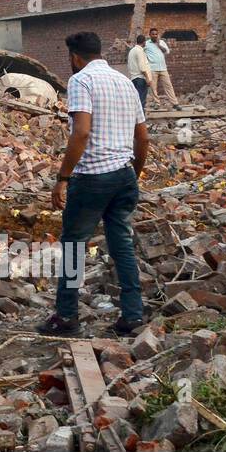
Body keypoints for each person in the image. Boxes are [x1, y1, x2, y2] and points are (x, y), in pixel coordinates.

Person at [38, 31, 149, 337]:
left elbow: (82, 133)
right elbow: (143, 136)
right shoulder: (125, 82)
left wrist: (62, 178)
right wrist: (133, 174)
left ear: (74, 57)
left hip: (92, 178)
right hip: (124, 175)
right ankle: (133, 315)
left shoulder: (80, 81)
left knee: (73, 246)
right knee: (122, 246)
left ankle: (67, 316)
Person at [144, 27, 178, 109]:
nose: (155, 36)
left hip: (163, 68)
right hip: (152, 68)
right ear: (150, 35)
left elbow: (167, 51)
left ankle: (175, 104)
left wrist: (159, 45)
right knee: (153, 87)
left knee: (168, 86)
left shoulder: (162, 42)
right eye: (153, 34)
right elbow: (142, 53)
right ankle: (157, 103)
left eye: (156, 34)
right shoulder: (146, 44)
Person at [127, 34, 152, 109]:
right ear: (144, 42)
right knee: (141, 101)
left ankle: (136, 118)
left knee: (136, 100)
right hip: (141, 78)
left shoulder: (132, 51)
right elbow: (142, 67)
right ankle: (141, 119)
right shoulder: (140, 51)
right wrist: (147, 78)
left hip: (134, 78)